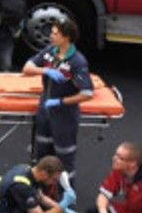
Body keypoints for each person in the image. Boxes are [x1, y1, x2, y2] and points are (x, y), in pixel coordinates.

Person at [23, 19, 93, 175]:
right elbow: (27, 68)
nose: (51, 36)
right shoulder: (50, 52)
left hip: (64, 116)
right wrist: (46, 71)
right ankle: (42, 192)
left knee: (64, 158)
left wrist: (61, 102)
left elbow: (87, 93)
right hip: (45, 110)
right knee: (42, 155)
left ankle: (67, 194)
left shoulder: (77, 62)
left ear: (66, 37)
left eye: (55, 34)